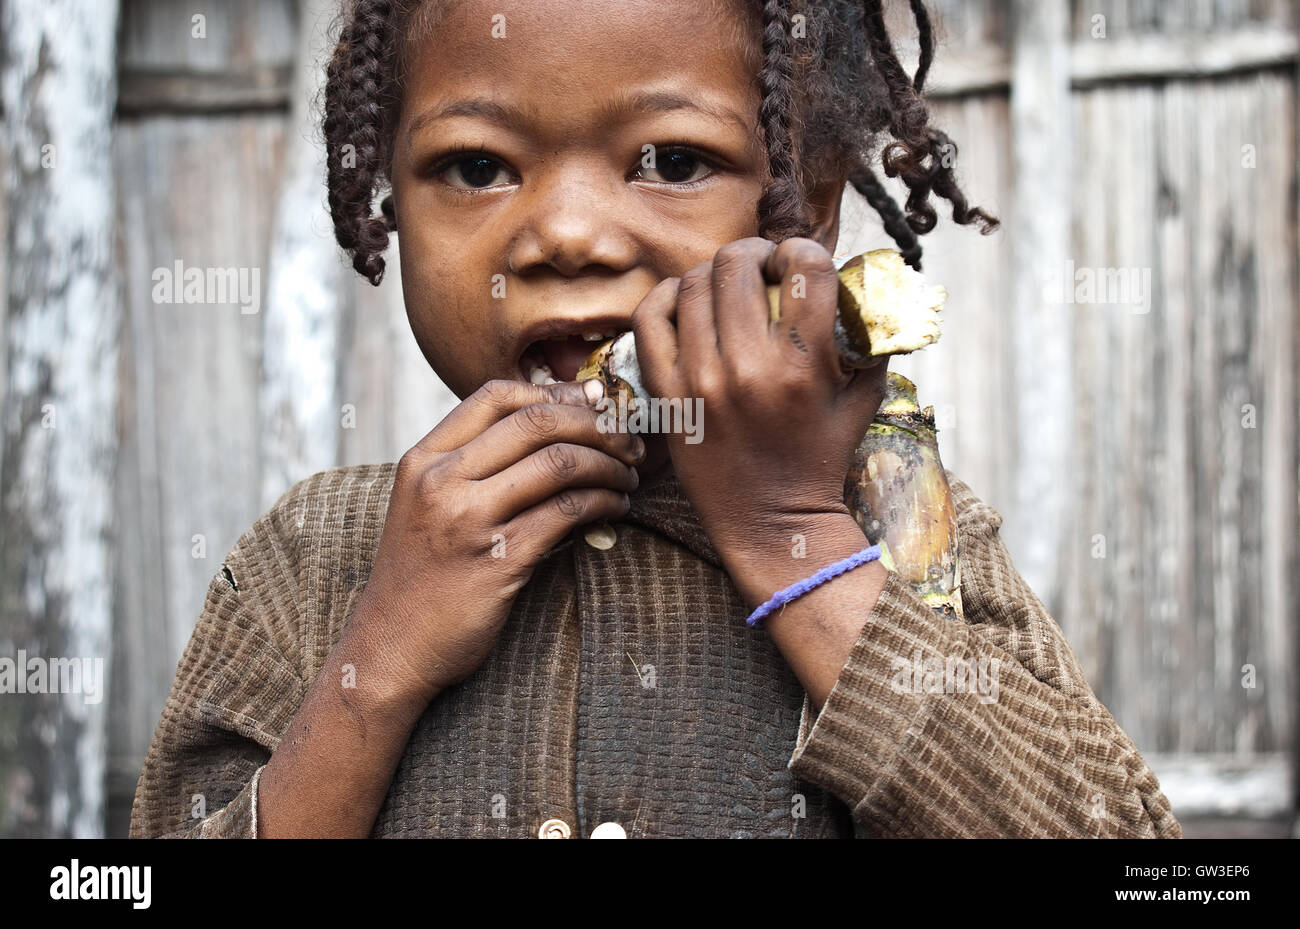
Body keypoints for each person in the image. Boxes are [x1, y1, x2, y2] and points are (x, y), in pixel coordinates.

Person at [129, 0, 1181, 838]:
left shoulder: (897, 528)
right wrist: (384, 655)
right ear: (391, 203)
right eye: (477, 166)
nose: (568, 234)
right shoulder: (313, 559)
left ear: (803, 207)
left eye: (673, 162)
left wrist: (794, 541)